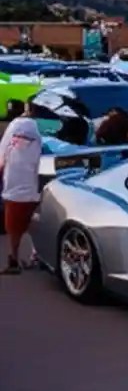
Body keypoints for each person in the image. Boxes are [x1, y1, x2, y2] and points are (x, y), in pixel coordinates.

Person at [1, 107, 42, 273]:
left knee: (14, 227)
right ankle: (36, 255)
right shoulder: (44, 130)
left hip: (16, 186)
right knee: (38, 222)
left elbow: (2, 152)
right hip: (39, 186)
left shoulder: (15, 127)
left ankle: (14, 259)